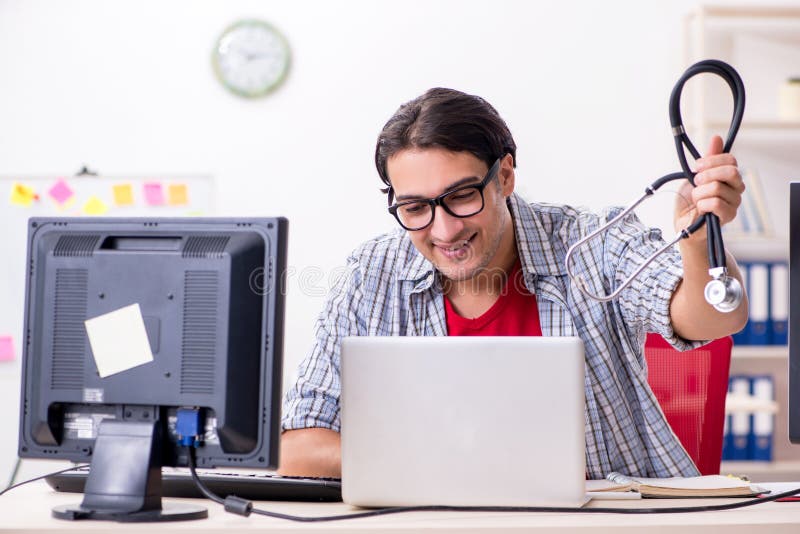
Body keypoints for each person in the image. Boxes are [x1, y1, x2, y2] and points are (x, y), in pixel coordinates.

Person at [278, 87, 748, 480]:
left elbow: (717, 316)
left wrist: (697, 239)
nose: (444, 231)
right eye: (416, 208)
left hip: (611, 521)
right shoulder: (372, 276)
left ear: (504, 176)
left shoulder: (589, 243)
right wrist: (435, 459)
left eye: (461, 196)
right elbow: (297, 448)